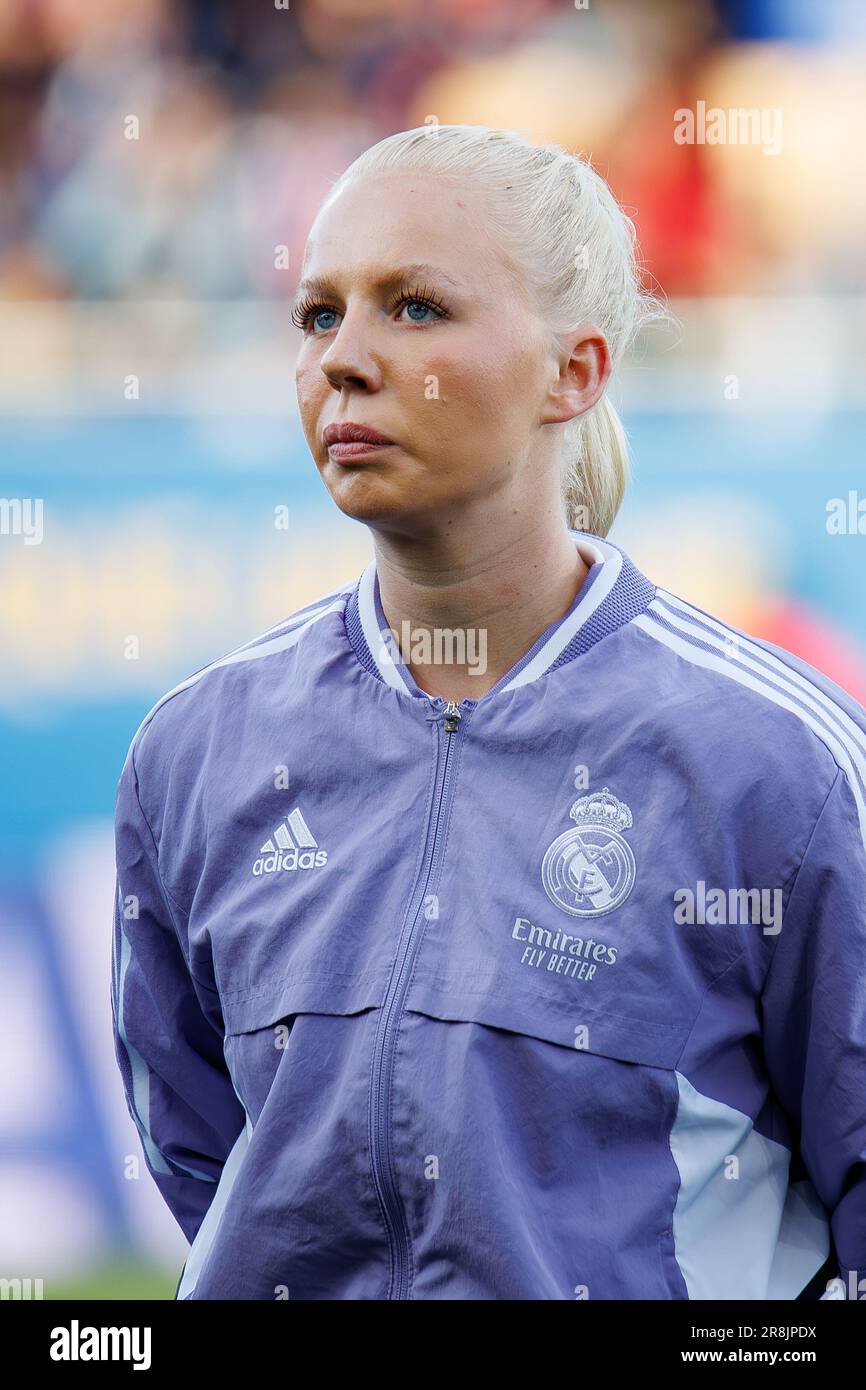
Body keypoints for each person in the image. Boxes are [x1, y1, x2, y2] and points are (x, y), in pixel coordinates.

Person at [111, 124, 866, 1301]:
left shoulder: (776, 762)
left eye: (414, 307)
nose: (345, 359)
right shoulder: (196, 749)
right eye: (320, 315)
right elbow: (202, 1159)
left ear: (574, 371)